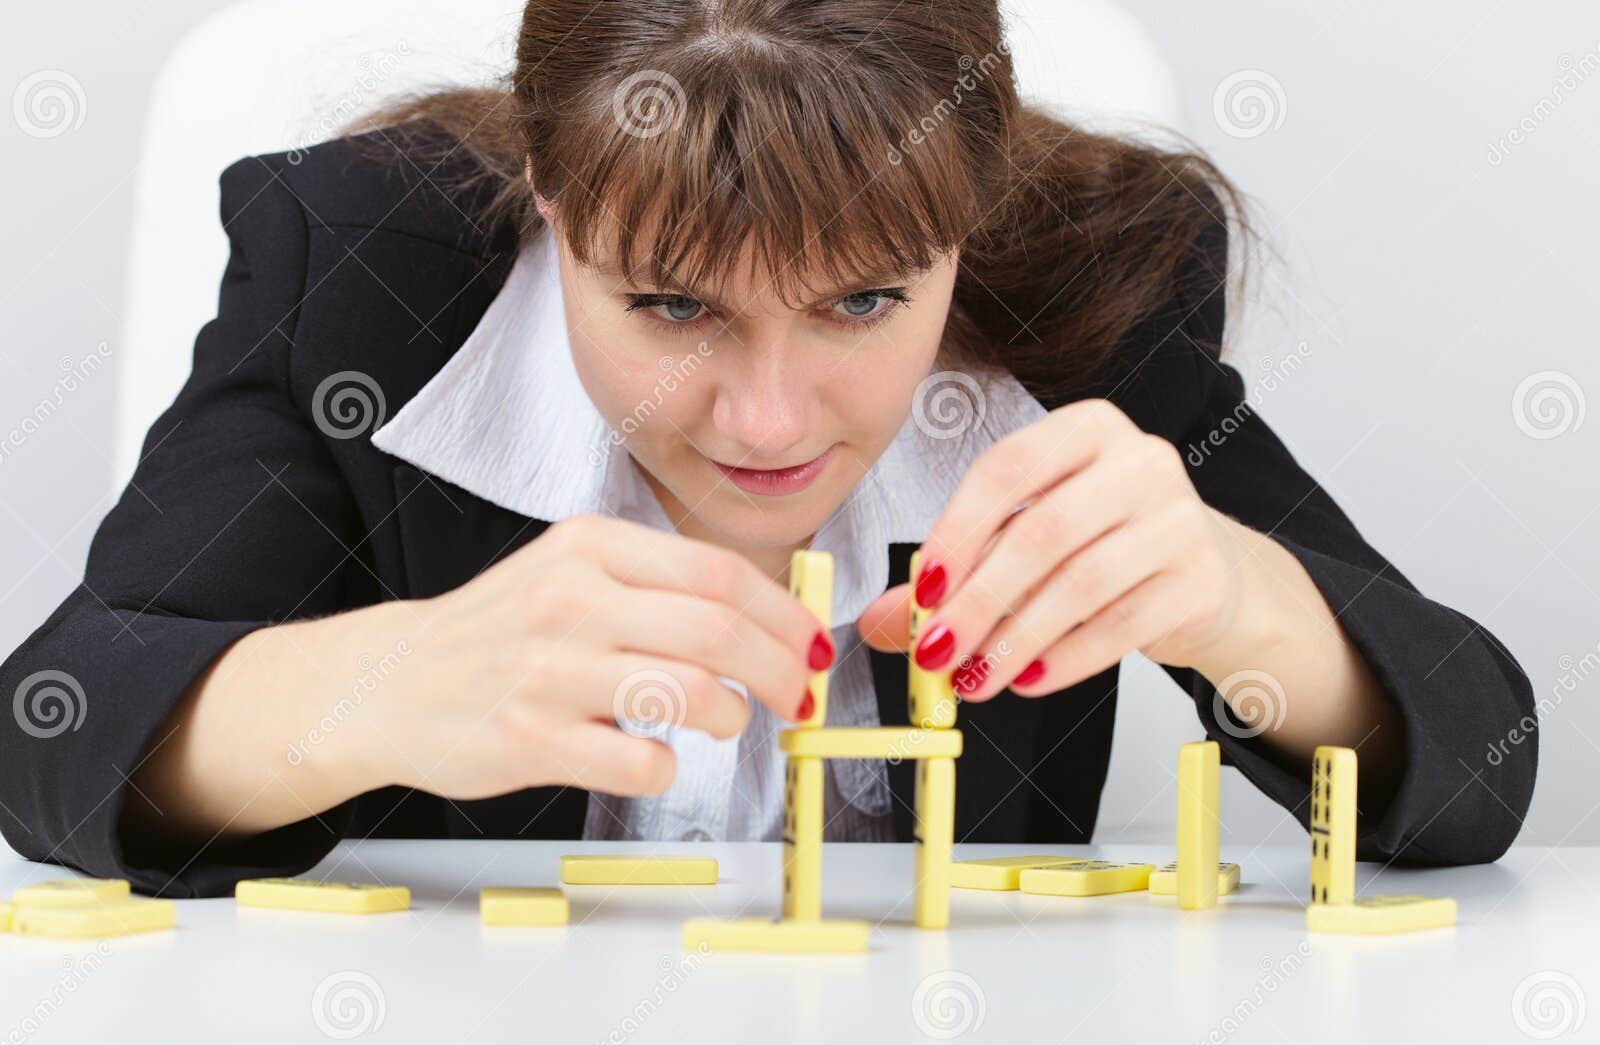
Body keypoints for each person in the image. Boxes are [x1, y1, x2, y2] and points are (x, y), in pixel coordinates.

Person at [0, 0, 1535, 897]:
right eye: (670, 304)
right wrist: (377, 688)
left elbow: (1481, 768)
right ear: (546, 188)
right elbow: (47, 736)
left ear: (974, 221)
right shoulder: (361, 274)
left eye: (867, 299)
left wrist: (1246, 605)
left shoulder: (1099, 291)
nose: (772, 418)